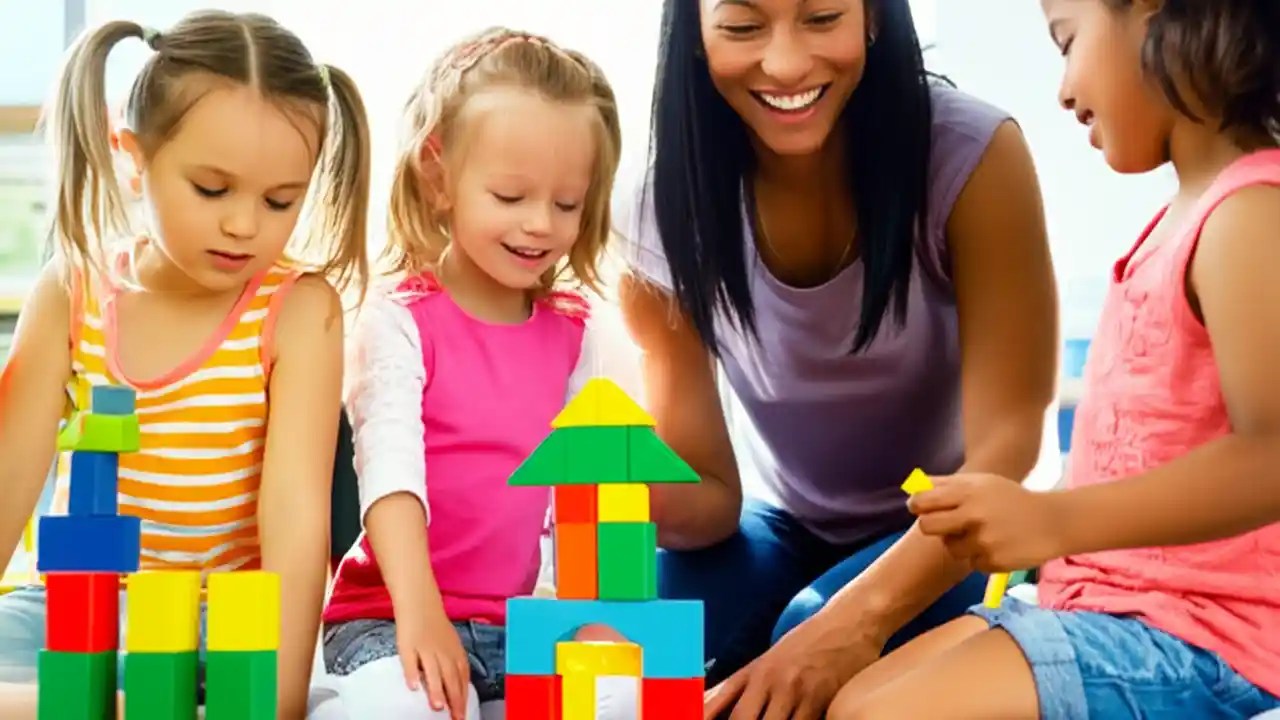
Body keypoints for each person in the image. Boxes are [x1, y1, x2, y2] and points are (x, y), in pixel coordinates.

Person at [826, 0, 1280, 718]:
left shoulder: (1249, 214)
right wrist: (1018, 520)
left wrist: (1055, 520)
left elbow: (1272, 455)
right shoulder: (1183, 219)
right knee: (856, 699)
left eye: (1067, 43)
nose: (1063, 88)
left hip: (1205, 638)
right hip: (1108, 610)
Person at [614, 0, 1061, 716]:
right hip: (783, 526)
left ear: (875, 18)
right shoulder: (658, 203)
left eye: (822, 17)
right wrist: (593, 475)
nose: (786, 63)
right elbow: (708, 500)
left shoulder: (971, 154)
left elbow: (1006, 452)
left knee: (808, 632)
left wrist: (853, 621)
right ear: (695, 37)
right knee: (634, 629)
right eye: (742, 26)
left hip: (956, 532)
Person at [0, 10, 369, 719]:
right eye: (211, 189)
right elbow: (9, 480)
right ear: (132, 155)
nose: (243, 224)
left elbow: (295, 521)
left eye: (279, 201)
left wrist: (281, 699)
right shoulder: (70, 290)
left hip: (214, 623)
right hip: (68, 610)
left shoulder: (298, 310)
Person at [318, 27, 627, 720]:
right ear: (438, 176)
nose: (540, 224)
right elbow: (390, 477)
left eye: (567, 203)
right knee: (407, 711)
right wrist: (420, 616)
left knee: (622, 701)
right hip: (386, 621)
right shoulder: (398, 321)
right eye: (511, 196)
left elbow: (592, 496)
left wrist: (598, 619)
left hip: (517, 631)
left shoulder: (579, 334)